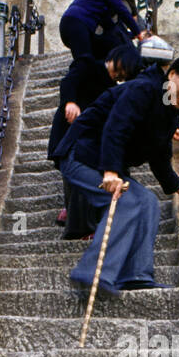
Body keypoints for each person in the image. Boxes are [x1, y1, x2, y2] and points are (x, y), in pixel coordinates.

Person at [54, 54, 179, 294]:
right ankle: (94, 272)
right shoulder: (144, 89)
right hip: (81, 155)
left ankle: (136, 274)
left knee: (148, 202)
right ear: (172, 74)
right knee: (125, 200)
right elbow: (116, 127)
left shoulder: (169, 109)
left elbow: (160, 156)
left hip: (101, 161)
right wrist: (110, 172)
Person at [47, 42, 143, 238]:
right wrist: (70, 101)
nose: (119, 75)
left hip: (89, 138)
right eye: (119, 69)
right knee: (70, 172)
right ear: (115, 58)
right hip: (68, 129)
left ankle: (83, 218)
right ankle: (72, 213)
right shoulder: (88, 64)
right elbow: (68, 82)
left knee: (84, 173)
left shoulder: (113, 87)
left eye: (124, 75)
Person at [58, 0, 142, 61]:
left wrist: (131, 36)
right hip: (76, 23)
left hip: (70, 26)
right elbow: (123, 12)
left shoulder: (101, 2)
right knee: (83, 62)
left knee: (88, 61)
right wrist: (138, 33)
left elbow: (110, 27)